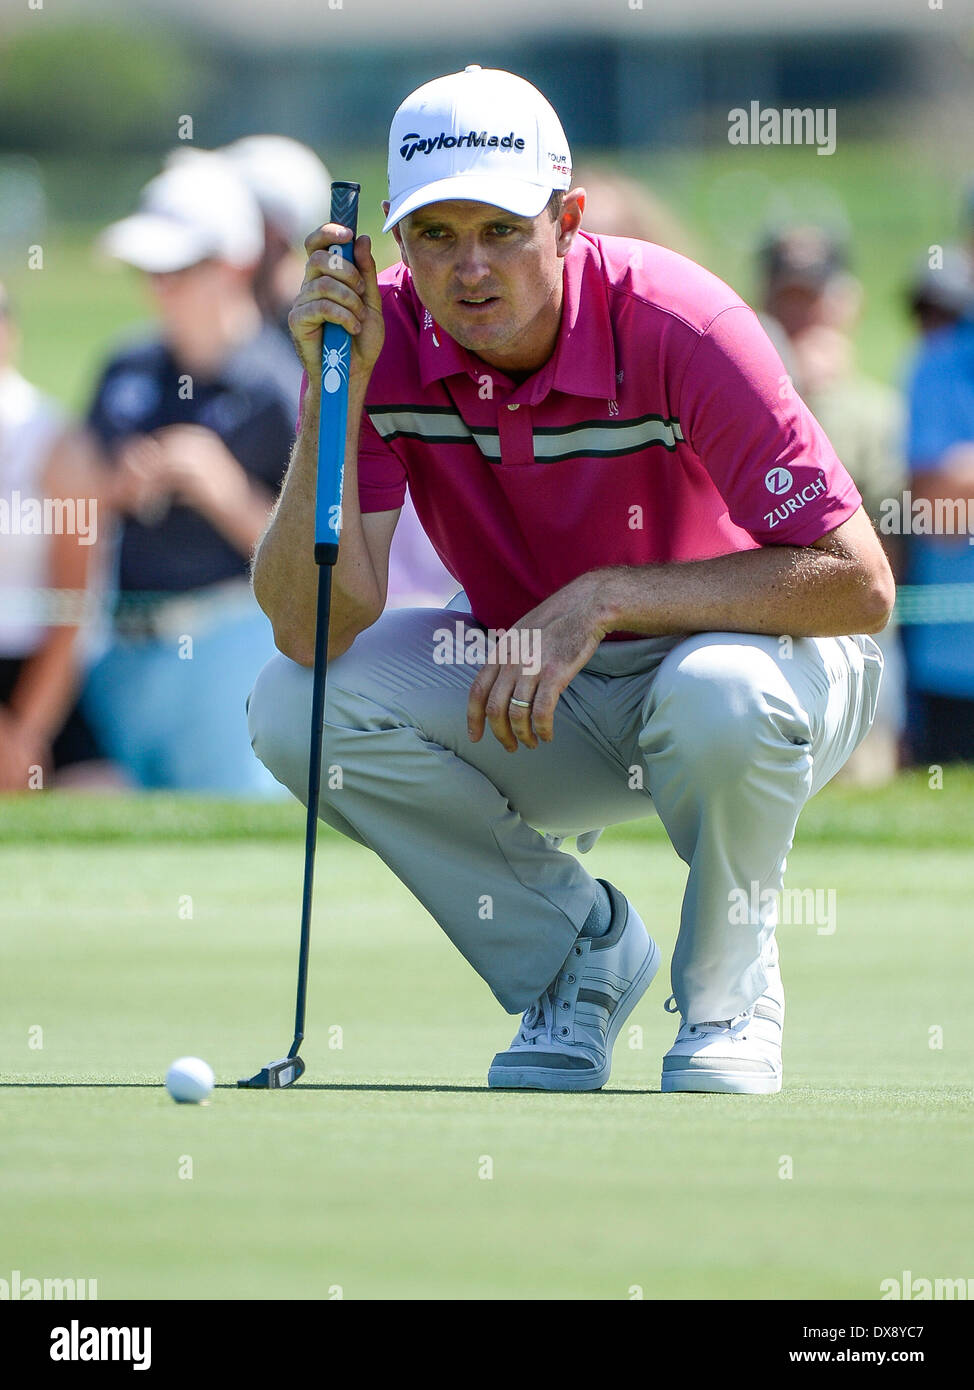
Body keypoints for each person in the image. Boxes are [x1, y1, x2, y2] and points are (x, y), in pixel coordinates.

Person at [247, 66, 893, 1094]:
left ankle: (727, 994)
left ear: (567, 218)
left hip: (765, 670)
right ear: (392, 242)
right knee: (294, 707)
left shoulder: (678, 320)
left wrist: (606, 596)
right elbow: (311, 629)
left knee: (715, 690)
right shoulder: (379, 342)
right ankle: (575, 953)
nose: (468, 269)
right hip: (546, 695)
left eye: (501, 229)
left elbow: (854, 585)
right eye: (434, 234)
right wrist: (338, 391)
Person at [81, 153, 301, 794]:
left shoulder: (279, 387)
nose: (159, 288)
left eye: (177, 269)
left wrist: (221, 488)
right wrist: (114, 488)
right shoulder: (124, 368)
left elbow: (320, 561)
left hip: (233, 646)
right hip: (122, 648)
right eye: (150, 270)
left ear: (232, 265)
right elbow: (72, 506)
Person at [759, 226, 907, 785]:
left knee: (862, 777)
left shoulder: (876, 410)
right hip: (763, 620)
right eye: (786, 297)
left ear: (844, 303)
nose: (800, 314)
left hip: (861, 633)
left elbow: (891, 545)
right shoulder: (743, 398)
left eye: (812, 297)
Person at [0, 283, 117, 791]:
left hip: (37, 678)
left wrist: (24, 731)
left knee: (99, 794)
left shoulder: (56, 444)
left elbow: (74, 603)